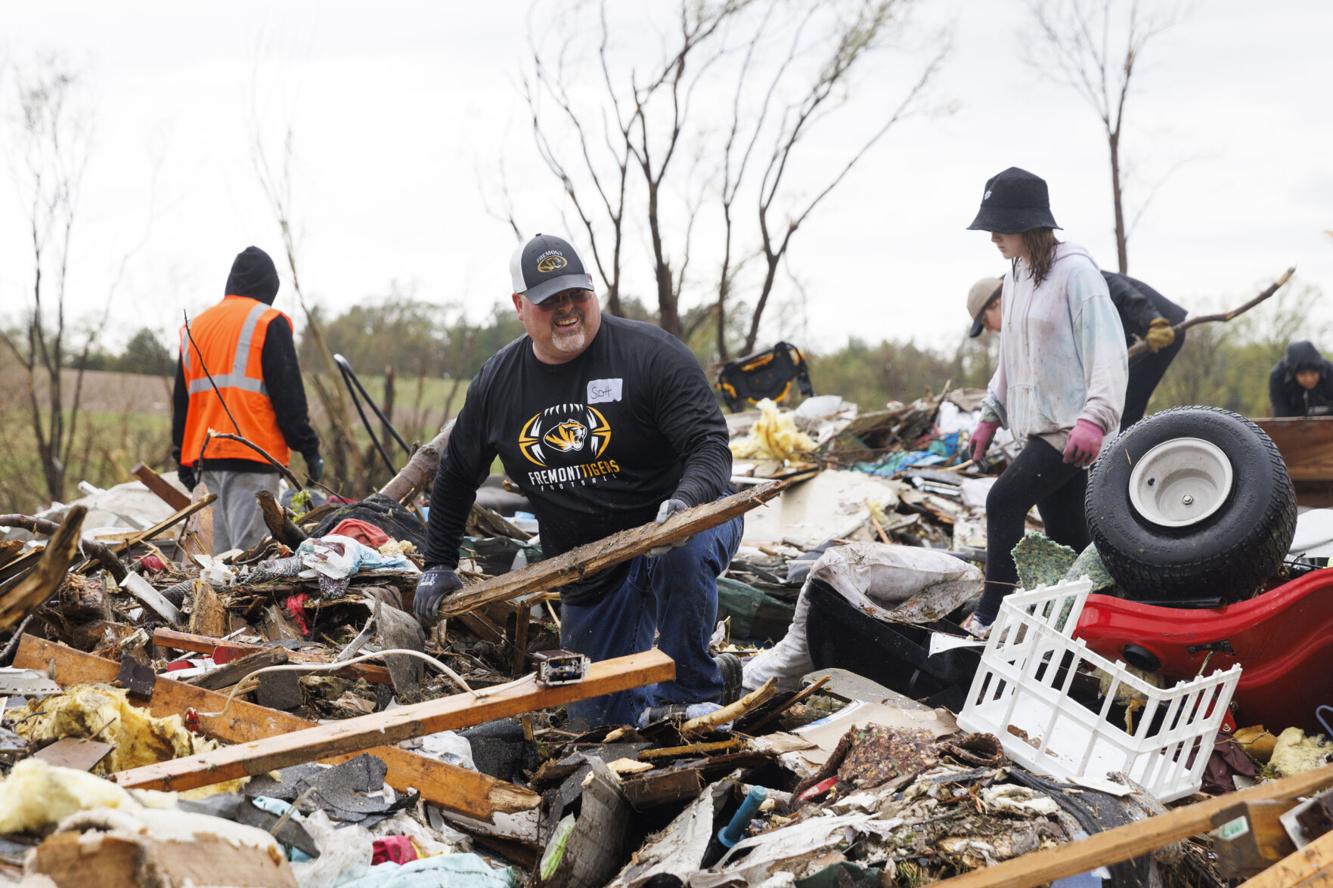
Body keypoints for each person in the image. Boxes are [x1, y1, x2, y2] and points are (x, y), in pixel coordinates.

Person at [414, 233, 740, 727]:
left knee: (683, 553)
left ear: (593, 292)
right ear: (520, 307)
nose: (567, 310)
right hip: (589, 563)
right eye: (551, 301)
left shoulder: (651, 356)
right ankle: (712, 677)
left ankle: (692, 691)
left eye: (576, 295)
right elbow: (457, 474)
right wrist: (438, 563)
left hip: (681, 520)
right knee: (600, 721)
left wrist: (683, 506)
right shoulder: (499, 384)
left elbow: (710, 448)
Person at [963, 168, 1127, 635]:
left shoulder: (1076, 274)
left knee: (1003, 501)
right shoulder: (1015, 276)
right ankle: (1096, 617)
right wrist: (990, 414)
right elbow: (1011, 355)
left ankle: (993, 612)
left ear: (1030, 224)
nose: (993, 236)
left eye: (1002, 225)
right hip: (1040, 425)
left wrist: (1095, 418)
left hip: (1068, 427)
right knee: (1070, 537)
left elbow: (1108, 350)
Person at [172, 246, 323, 553]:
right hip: (252, 460)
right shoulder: (267, 321)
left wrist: (182, 458)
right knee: (252, 560)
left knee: (216, 566)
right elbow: (289, 397)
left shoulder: (195, 327)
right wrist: (308, 448)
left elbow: (182, 402)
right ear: (270, 288)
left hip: (206, 460)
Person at [966, 272, 1186, 429]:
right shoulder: (1025, 304)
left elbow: (1113, 286)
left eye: (986, 322)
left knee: (1118, 412)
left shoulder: (1037, 282)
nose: (990, 330)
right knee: (1114, 412)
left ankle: (1121, 477)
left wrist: (1153, 321)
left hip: (1158, 329)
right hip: (1128, 339)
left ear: (997, 303)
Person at [1269, 341, 1333, 416]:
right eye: (1302, 374)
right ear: (1293, 374)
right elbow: (1280, 414)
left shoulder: (1330, 371)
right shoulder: (1278, 376)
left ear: (1320, 370)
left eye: (1313, 373)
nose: (1309, 379)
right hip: (1293, 420)